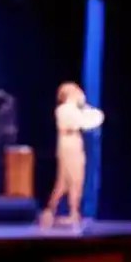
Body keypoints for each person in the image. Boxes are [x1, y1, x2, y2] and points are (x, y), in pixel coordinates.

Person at [42, 82, 104, 227]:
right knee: (71, 178)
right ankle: (66, 211)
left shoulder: (75, 109)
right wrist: (85, 112)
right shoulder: (64, 110)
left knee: (69, 181)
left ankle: (64, 211)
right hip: (68, 144)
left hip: (75, 142)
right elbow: (81, 122)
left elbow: (94, 117)